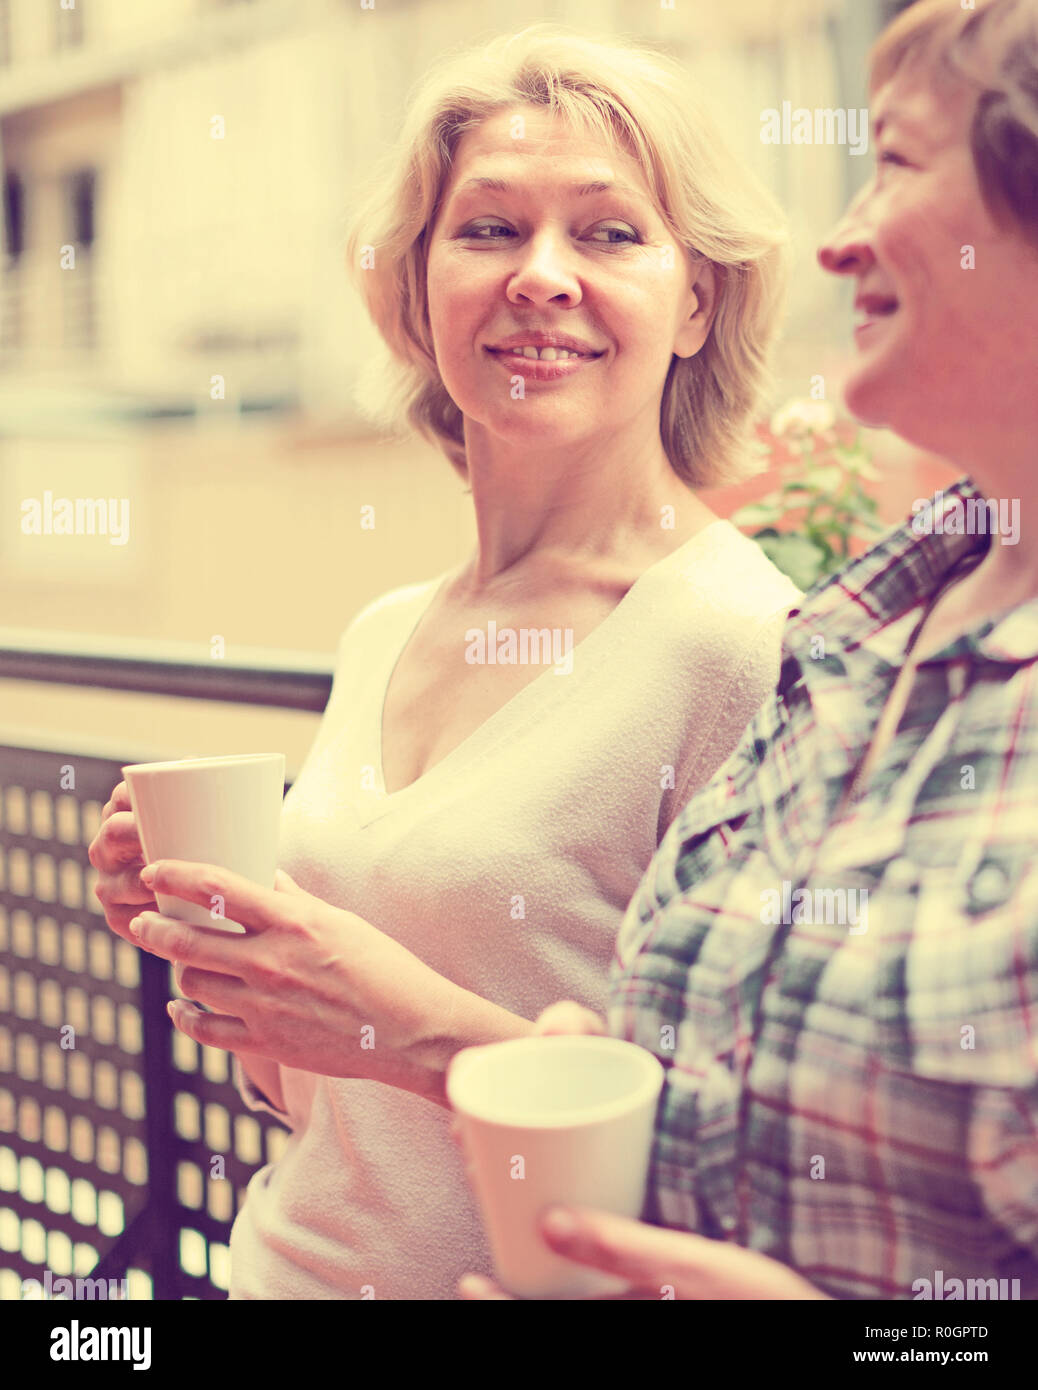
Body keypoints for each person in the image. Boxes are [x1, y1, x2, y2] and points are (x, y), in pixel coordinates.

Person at [89, 26, 802, 1298]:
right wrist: (222, 948)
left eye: (608, 232)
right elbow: (326, 1105)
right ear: (418, 289)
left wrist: (397, 1019)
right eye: (487, 230)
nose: (541, 276)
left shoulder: (740, 647)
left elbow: (753, 1170)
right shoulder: (383, 632)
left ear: (696, 300)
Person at [457, 0, 1038, 1302]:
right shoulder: (851, 633)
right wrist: (632, 1085)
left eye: (891, 160)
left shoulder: (725, 623)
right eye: (487, 225)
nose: (833, 238)